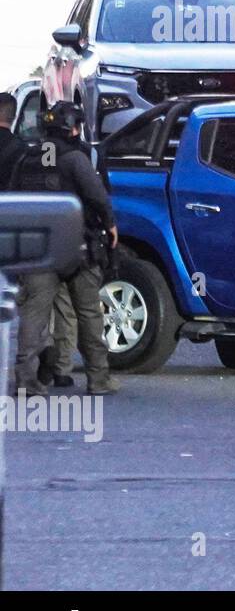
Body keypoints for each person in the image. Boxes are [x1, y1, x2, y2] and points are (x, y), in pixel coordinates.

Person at [9, 102, 121, 397]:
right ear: (72, 127)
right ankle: (98, 378)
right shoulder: (75, 158)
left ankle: (26, 380)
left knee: (34, 314)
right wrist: (110, 225)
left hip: (38, 249)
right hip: (77, 247)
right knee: (87, 313)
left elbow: (12, 197)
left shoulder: (26, 157)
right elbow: (98, 197)